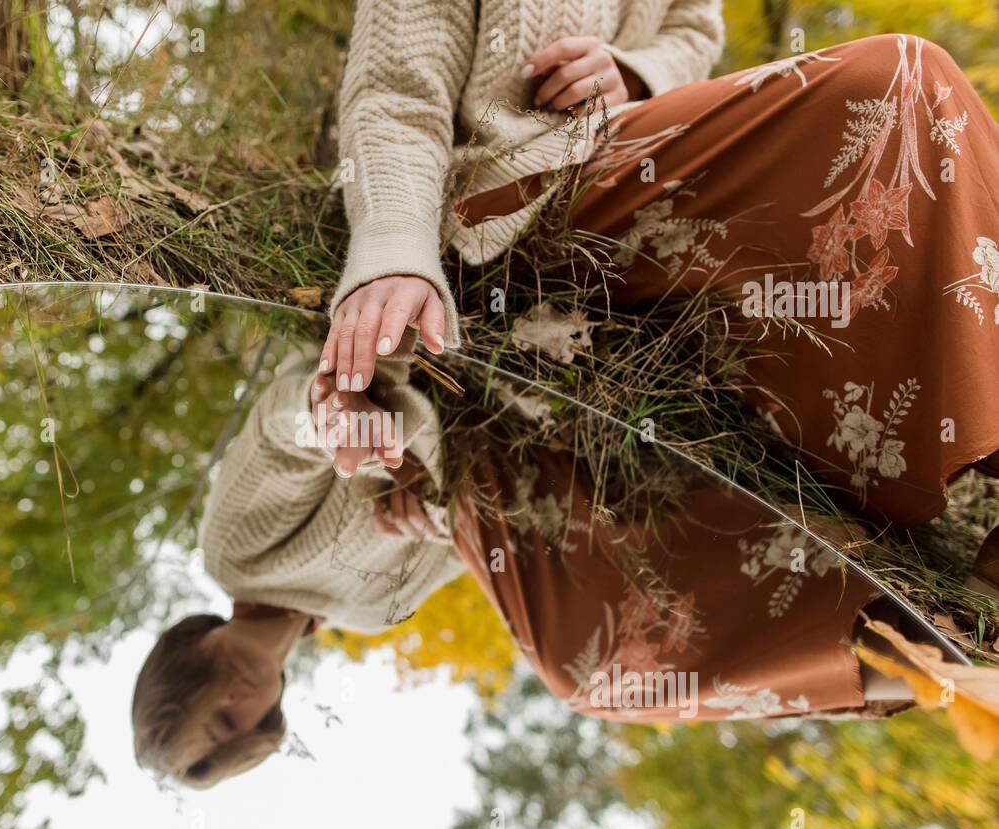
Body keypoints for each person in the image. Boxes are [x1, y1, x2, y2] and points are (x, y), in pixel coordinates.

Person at [134, 2, 999, 785]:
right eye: (242, 724)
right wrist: (395, 247)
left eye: (216, 707)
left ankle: (963, 453)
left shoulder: (234, 553)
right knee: (580, 664)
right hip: (496, 292)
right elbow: (397, 86)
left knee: (900, 84)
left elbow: (287, 425)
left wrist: (638, 73)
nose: (241, 699)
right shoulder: (371, 612)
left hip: (579, 177)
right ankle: (908, 649)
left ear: (188, 669)